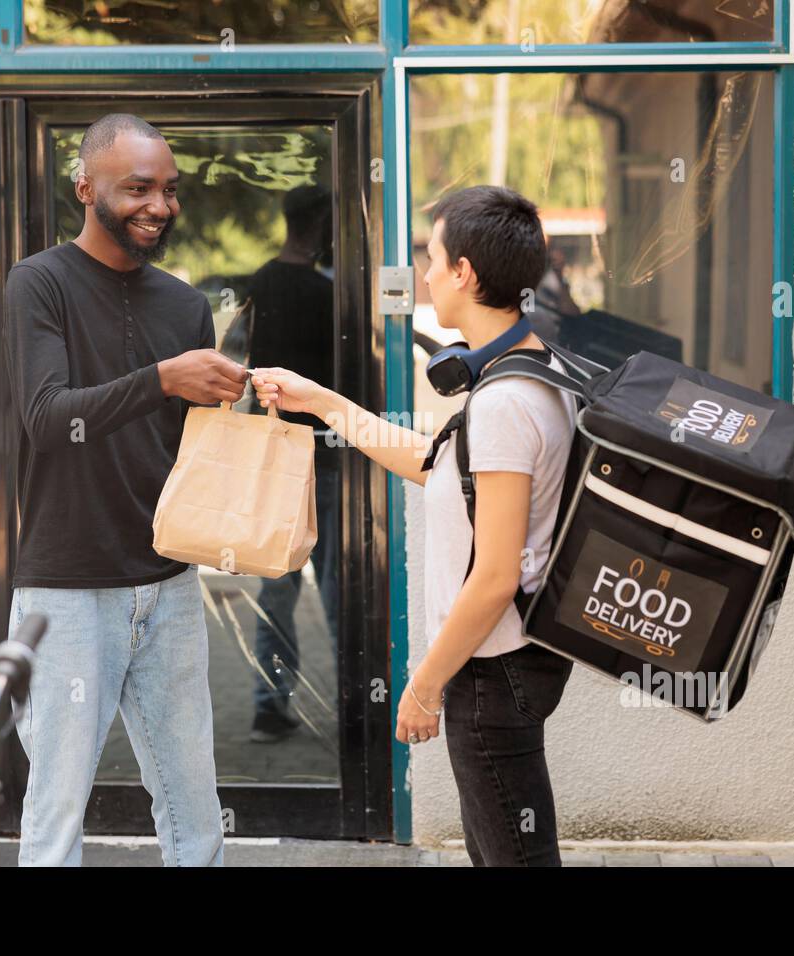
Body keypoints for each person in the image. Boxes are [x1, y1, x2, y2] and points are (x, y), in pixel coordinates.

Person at [251, 185, 578, 866]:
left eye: (433, 258)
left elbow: (492, 578)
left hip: (492, 670)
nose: (424, 274)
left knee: (512, 857)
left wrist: (425, 685)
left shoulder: (505, 403)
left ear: (464, 273)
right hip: (508, 664)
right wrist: (320, 400)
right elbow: (436, 465)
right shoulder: (530, 372)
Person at [2, 113, 247, 866]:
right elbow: (48, 419)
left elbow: (182, 448)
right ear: (85, 188)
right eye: (137, 187)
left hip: (169, 583)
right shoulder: (37, 284)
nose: (159, 205)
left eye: (169, 190)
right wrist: (163, 379)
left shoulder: (184, 305)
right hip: (69, 590)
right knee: (55, 814)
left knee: (193, 807)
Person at [242, 185, 340, 743]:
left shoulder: (260, 282)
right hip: (325, 458)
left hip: (275, 455)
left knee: (277, 592)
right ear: (317, 223)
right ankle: (359, 702)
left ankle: (268, 708)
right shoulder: (327, 293)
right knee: (339, 591)